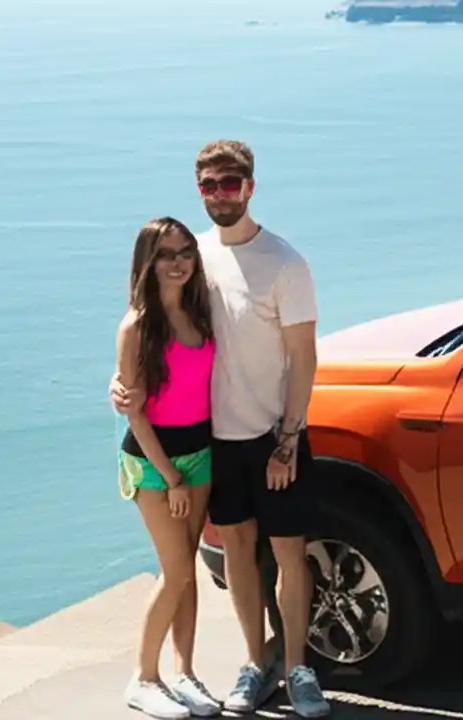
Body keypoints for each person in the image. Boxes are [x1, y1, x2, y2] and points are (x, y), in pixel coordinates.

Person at [113, 140, 329, 718]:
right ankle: (255, 664)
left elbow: (303, 357)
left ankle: (300, 668)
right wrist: (121, 388)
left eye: (230, 184)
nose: (219, 195)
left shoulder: (285, 263)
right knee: (235, 550)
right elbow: (152, 330)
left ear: (251, 187)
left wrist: (289, 437)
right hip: (216, 441)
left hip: (274, 435)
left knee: (287, 552)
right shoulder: (196, 257)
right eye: (208, 185)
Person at [116, 217, 222, 719]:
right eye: (165, 254)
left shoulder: (201, 314)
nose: (177, 262)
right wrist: (173, 477)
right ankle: (144, 678)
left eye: (184, 252)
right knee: (176, 569)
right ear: (147, 262)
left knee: (187, 574)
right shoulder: (137, 325)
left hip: (200, 452)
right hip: (154, 462)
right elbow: (134, 410)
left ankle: (186, 673)